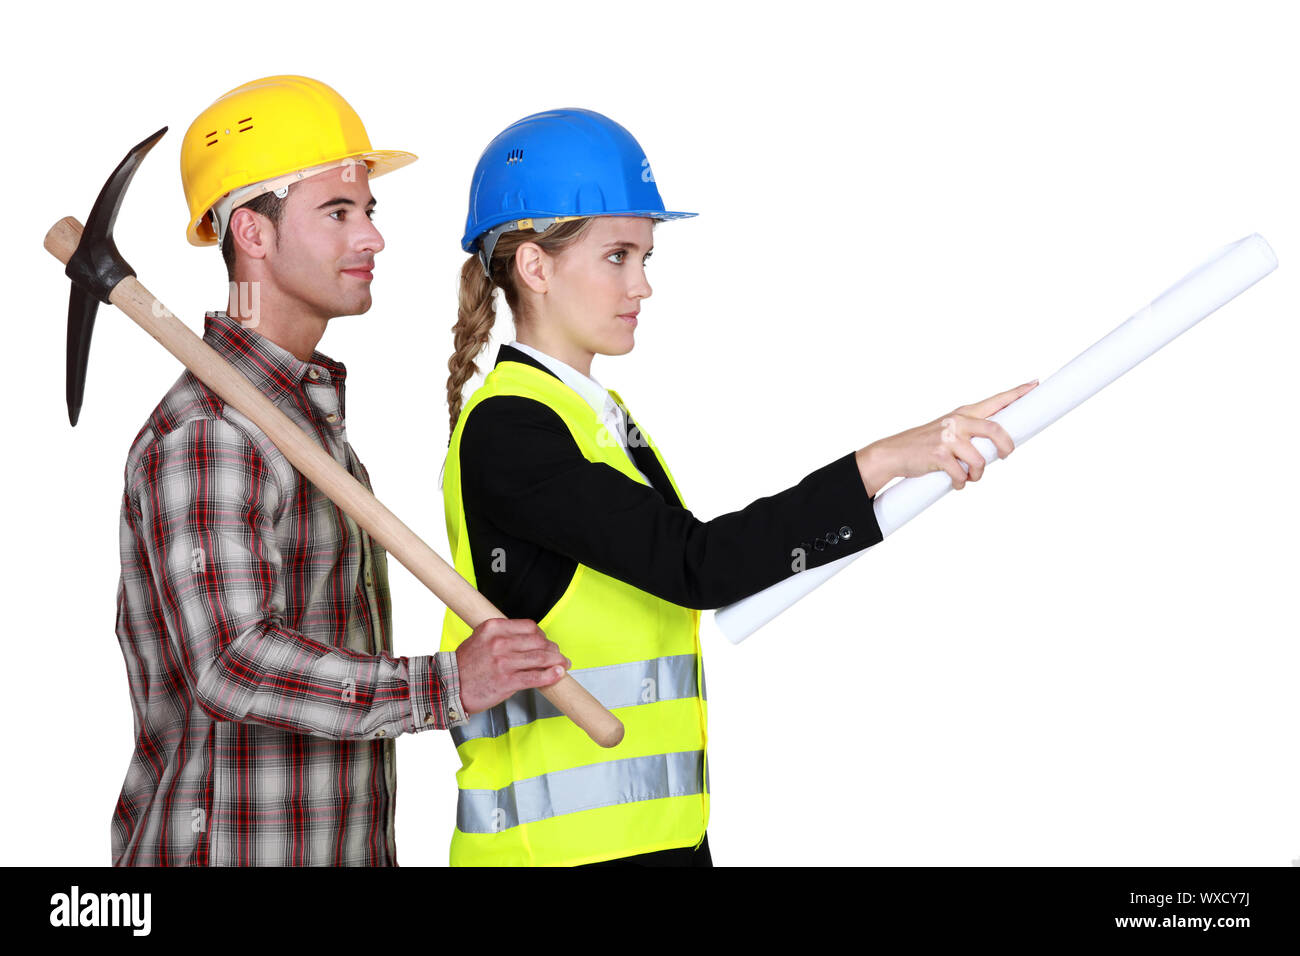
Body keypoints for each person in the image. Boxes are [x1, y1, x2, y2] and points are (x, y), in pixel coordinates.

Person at [440, 108, 1038, 867]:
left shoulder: (596, 419)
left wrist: (890, 477)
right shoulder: (512, 430)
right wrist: (882, 462)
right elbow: (696, 564)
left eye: (647, 256)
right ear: (535, 267)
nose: (644, 285)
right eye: (618, 256)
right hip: (554, 857)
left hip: (653, 842)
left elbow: (690, 574)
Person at [112, 75, 569, 866]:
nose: (372, 239)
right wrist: (446, 683)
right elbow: (233, 663)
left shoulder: (305, 427)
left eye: (369, 211)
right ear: (252, 234)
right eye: (338, 213)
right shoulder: (210, 434)